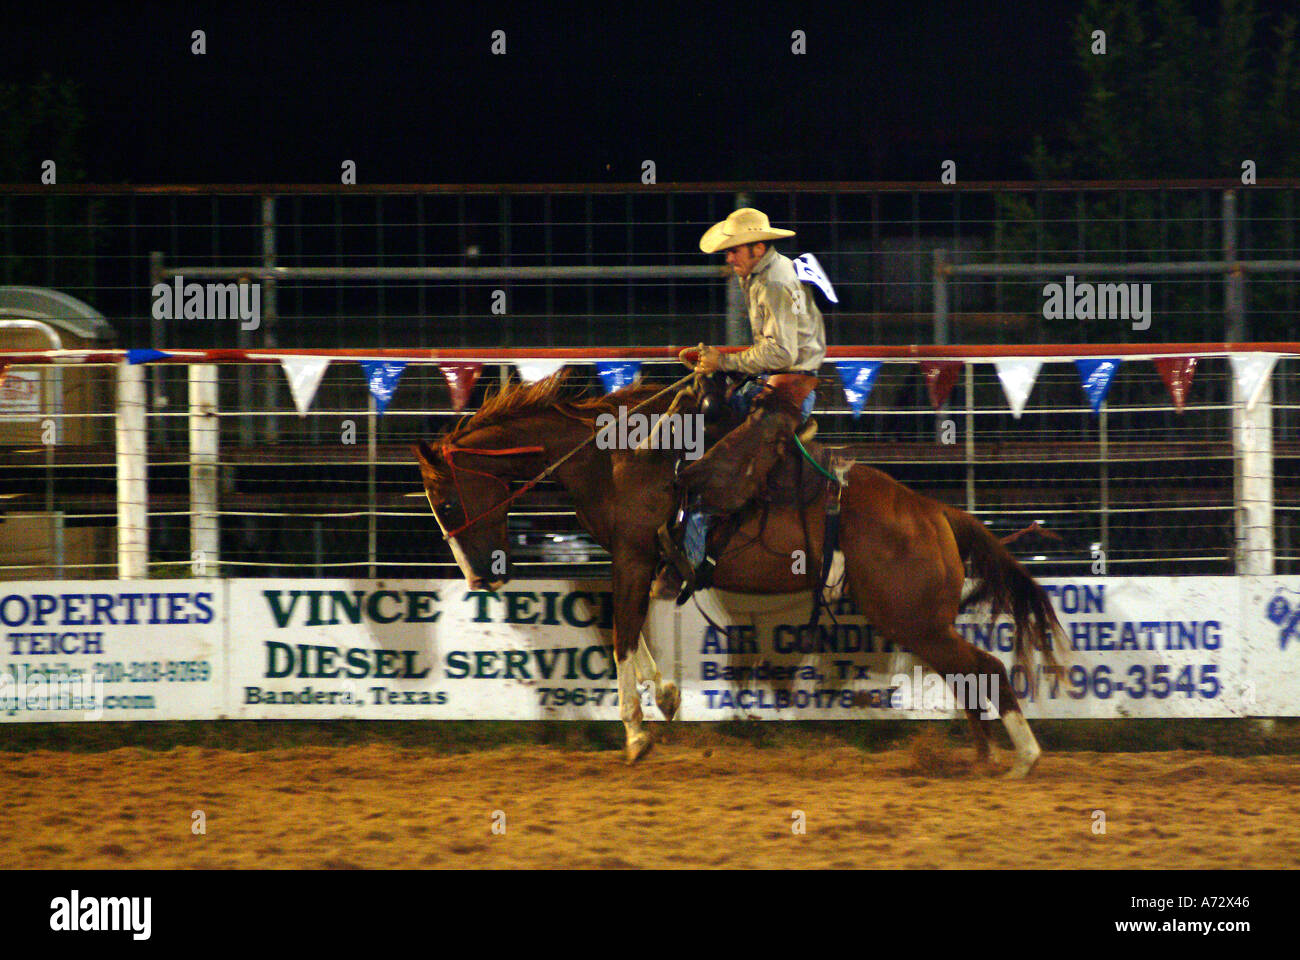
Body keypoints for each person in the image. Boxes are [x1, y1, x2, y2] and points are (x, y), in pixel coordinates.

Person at [651, 207, 827, 603]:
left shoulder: (774, 283)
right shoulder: (767, 275)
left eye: (734, 251)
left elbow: (781, 351)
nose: (728, 258)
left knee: (714, 472)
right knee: (703, 409)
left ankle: (688, 566)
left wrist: (725, 363)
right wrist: (715, 363)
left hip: (786, 391)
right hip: (775, 383)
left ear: (757, 247)